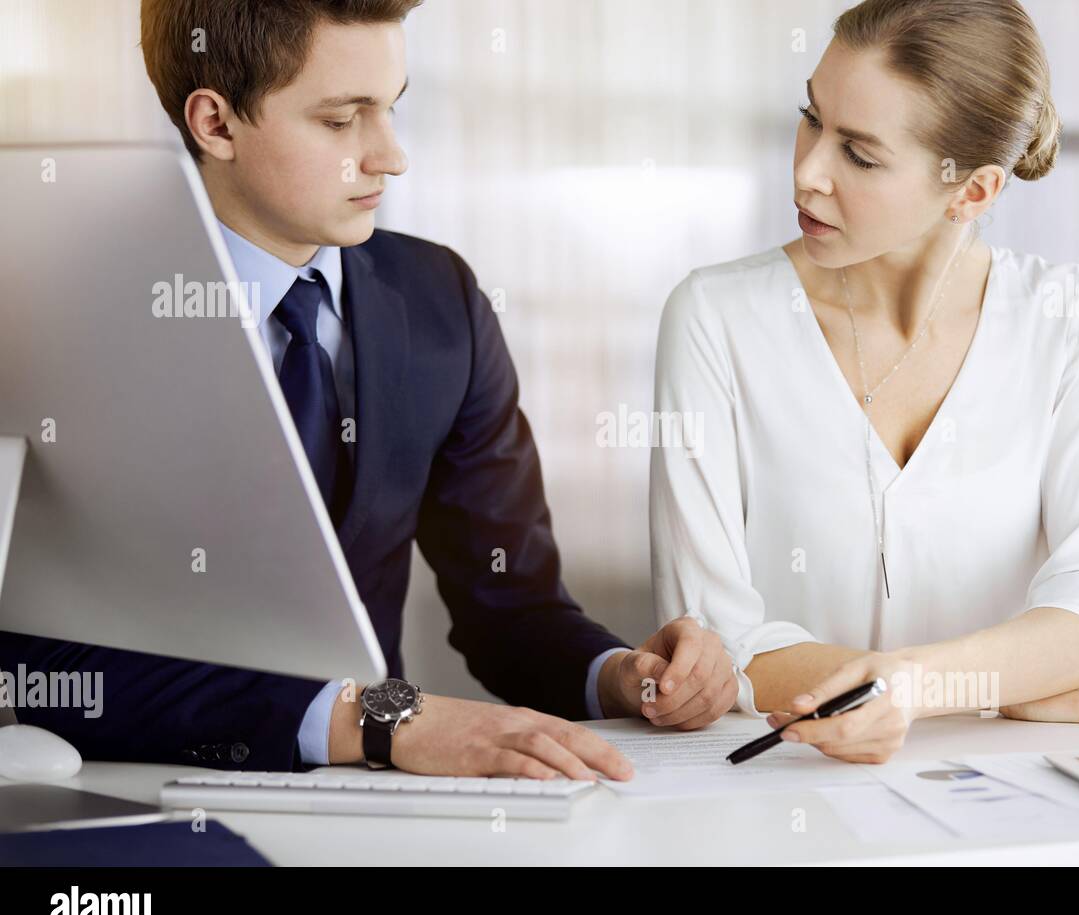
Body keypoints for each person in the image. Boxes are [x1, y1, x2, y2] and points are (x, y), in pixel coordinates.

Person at [1, 0, 739, 781]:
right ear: (215, 124)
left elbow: (510, 606)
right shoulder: (58, 305)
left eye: (391, 108)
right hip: (130, 800)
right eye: (342, 121)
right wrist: (383, 721)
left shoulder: (439, 300)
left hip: (371, 810)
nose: (390, 156)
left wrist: (622, 675)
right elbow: (47, 666)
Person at [650, 0, 1079, 765]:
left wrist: (922, 687)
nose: (807, 171)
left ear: (973, 191)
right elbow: (714, 647)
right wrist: (1008, 684)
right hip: (780, 793)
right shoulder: (714, 316)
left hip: (1019, 804)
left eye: (859, 155)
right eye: (811, 117)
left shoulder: (1061, 317)